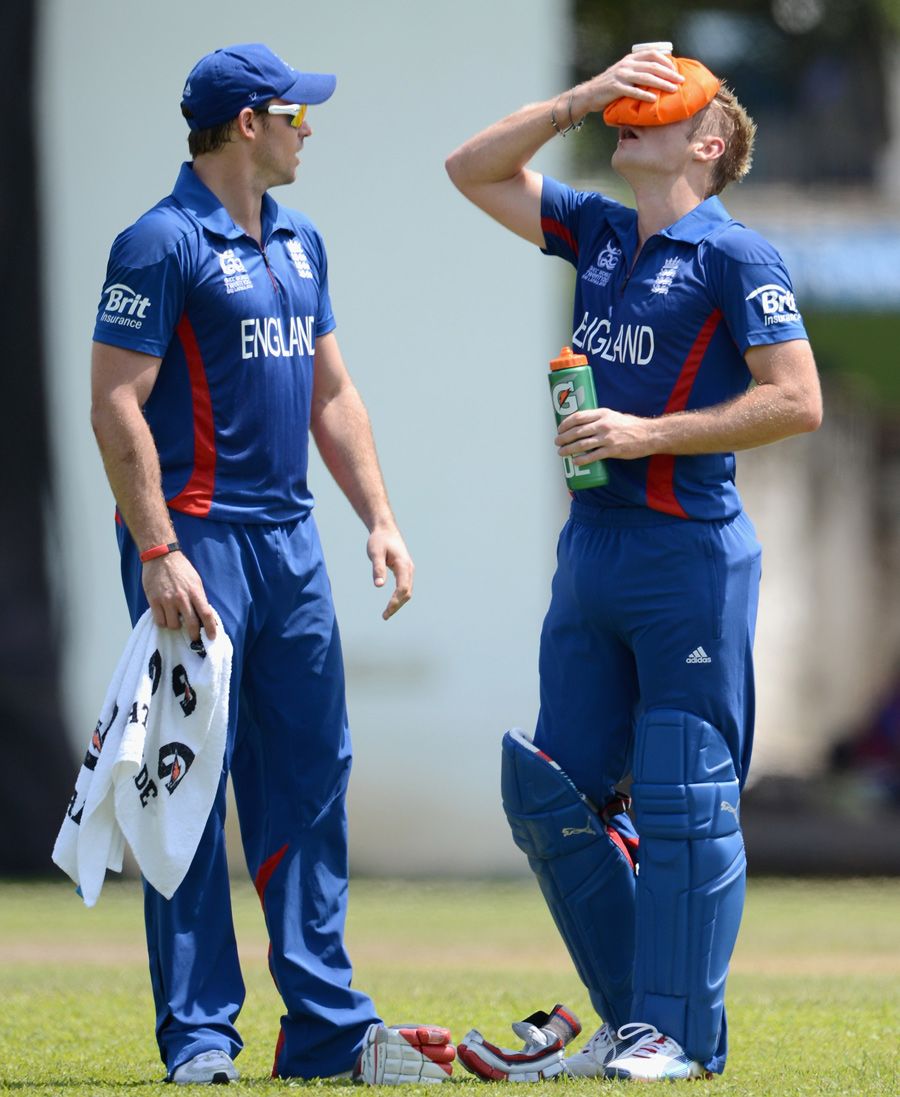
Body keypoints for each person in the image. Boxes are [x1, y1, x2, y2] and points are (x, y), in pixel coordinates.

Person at [445, 45, 822, 1083]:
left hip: (687, 553)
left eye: (656, 112)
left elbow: (797, 398)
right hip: (593, 550)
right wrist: (578, 97)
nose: (629, 120)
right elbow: (470, 170)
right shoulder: (601, 230)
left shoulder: (737, 256)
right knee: (550, 790)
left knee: (683, 793)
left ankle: (682, 1031)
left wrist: (644, 434)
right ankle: (631, 1020)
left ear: (708, 143)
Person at [90, 43, 455, 1086]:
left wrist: (379, 518)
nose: (312, 128)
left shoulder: (301, 242)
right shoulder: (159, 242)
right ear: (248, 124)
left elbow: (334, 396)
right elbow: (116, 401)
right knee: (187, 786)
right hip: (197, 542)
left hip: (290, 546)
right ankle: (202, 1040)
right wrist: (156, 545)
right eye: (298, 113)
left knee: (308, 780)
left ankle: (329, 1030)